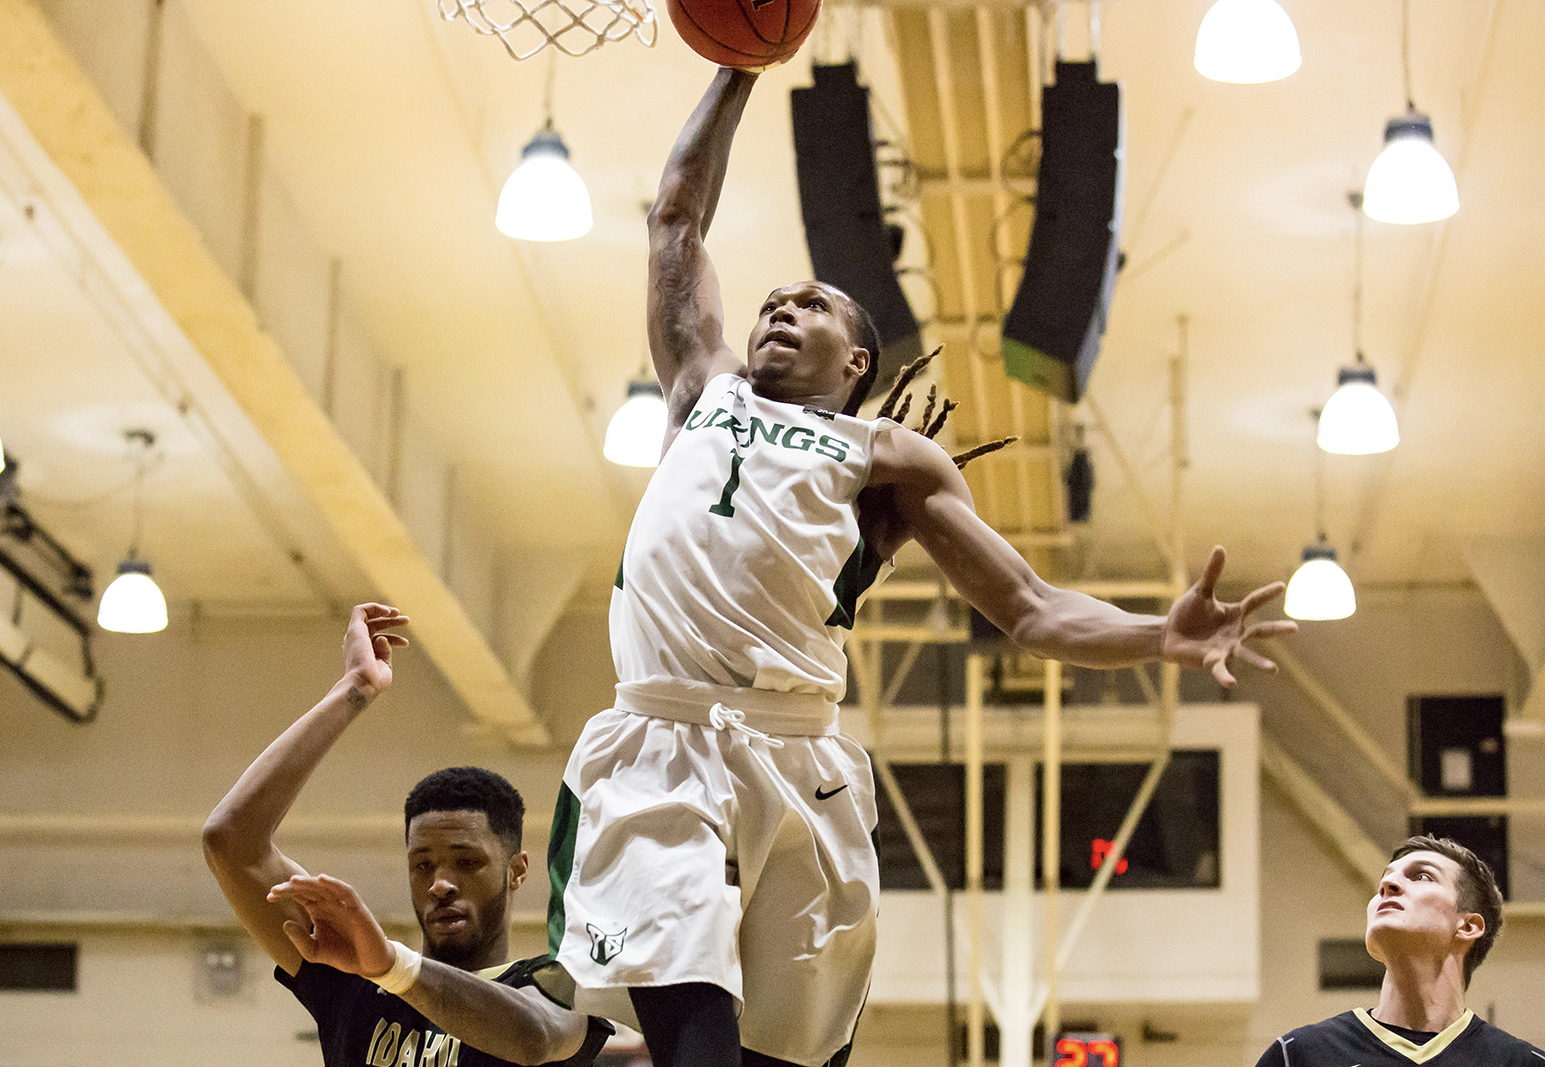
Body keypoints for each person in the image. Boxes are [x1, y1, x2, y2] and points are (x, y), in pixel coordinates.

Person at [540, 64, 1299, 1067]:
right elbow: (676, 220)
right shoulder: (701, 388)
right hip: (662, 731)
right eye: (770, 300)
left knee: (791, 1052)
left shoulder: (889, 457)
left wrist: (1154, 632)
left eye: (807, 305)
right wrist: (738, 67)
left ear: (856, 361)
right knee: (693, 1032)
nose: (776, 308)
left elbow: (1026, 605)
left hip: (797, 745)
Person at [202, 603, 612, 1067]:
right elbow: (231, 840)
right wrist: (353, 689)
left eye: (467, 861)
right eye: (422, 865)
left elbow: (535, 1037)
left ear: (516, 870)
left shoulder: (552, 984)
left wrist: (391, 968)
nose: (440, 883)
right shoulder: (353, 971)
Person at [1255, 835, 1541, 1066]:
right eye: (1386, 878)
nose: (1386, 885)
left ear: (1467, 926)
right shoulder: (1296, 1057)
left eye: (1422, 877)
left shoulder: (1523, 1062)